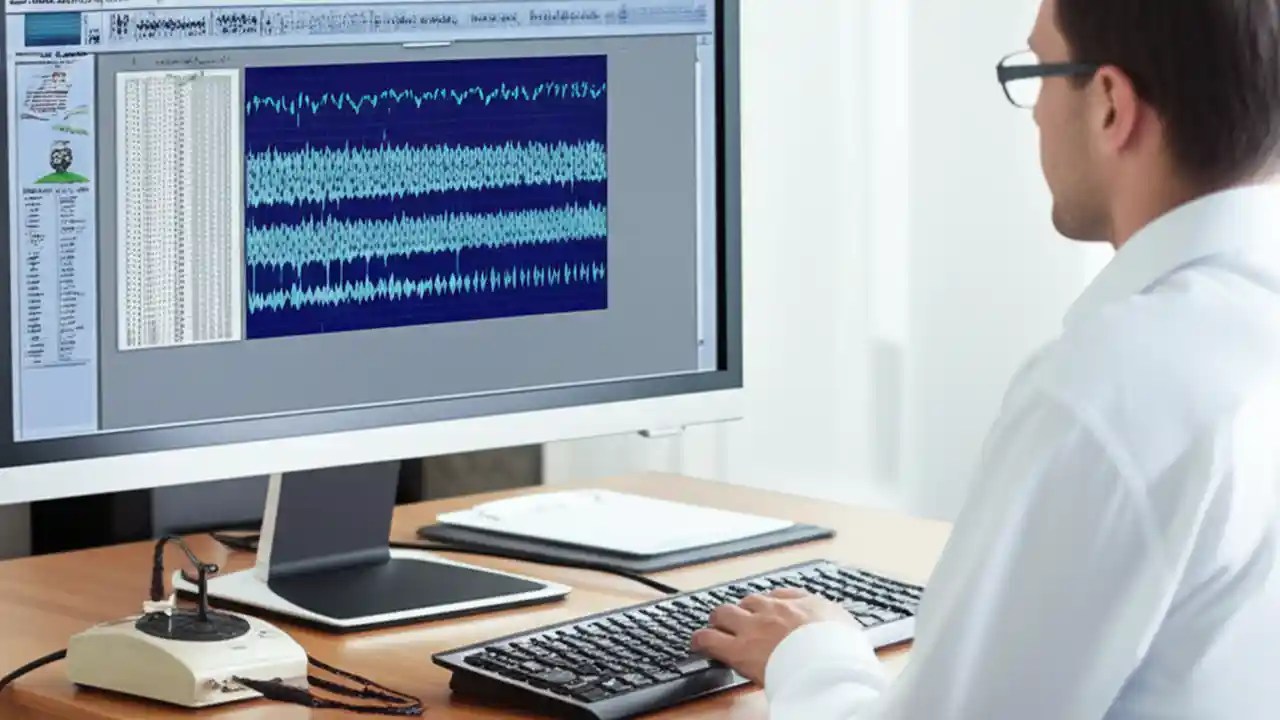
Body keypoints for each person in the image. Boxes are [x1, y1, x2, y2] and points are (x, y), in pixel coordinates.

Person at [691, 0, 1280, 717]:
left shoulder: (1111, 387)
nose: (1033, 114)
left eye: (1039, 71)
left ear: (1108, 105)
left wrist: (812, 651)